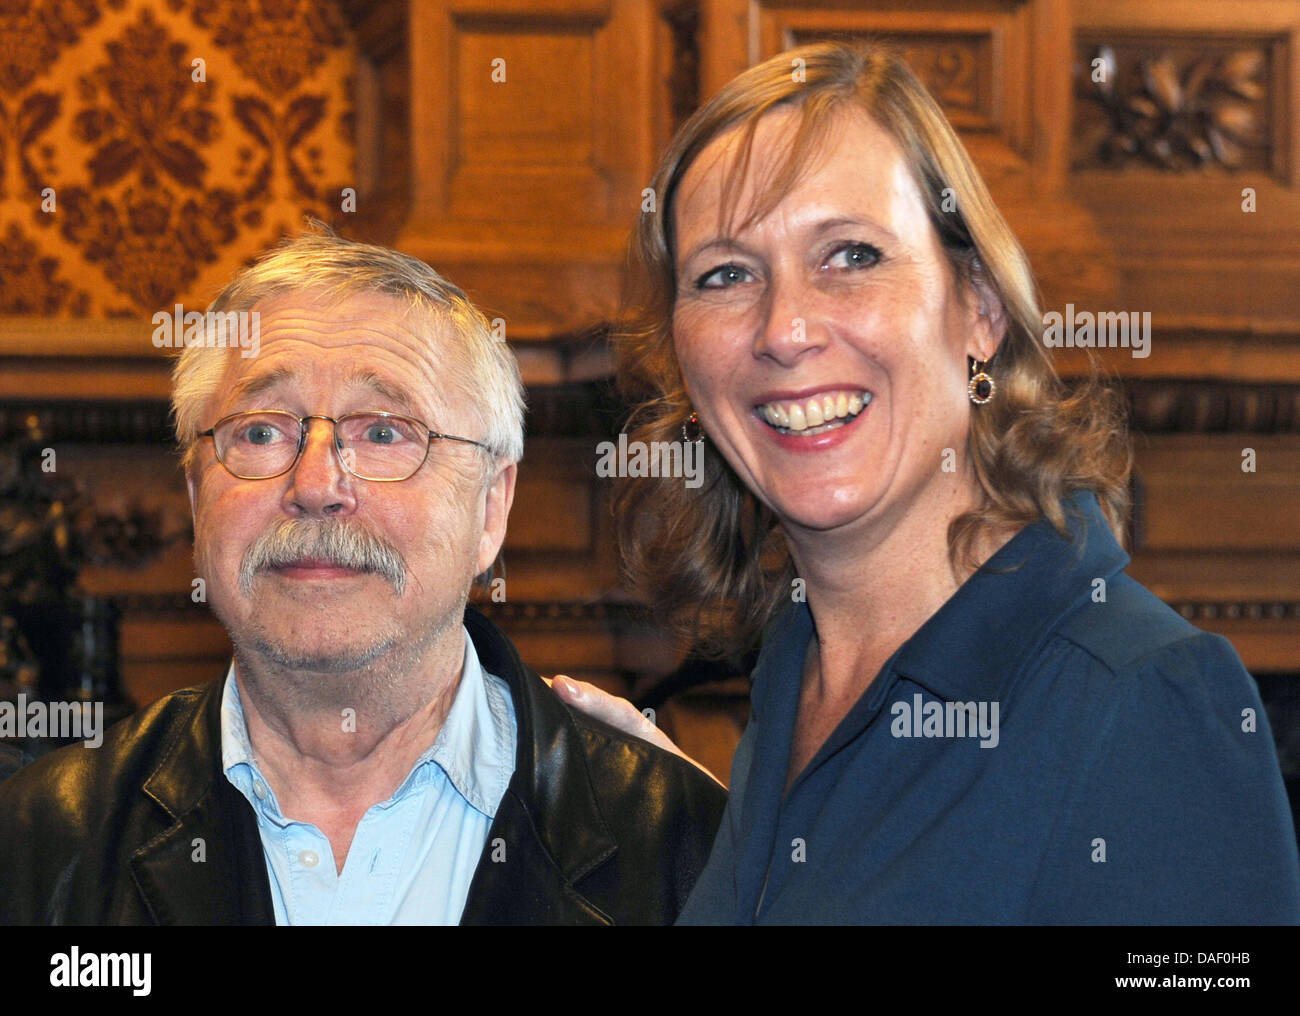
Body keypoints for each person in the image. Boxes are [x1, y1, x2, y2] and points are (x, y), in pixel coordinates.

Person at [551, 41, 1300, 923]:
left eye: (852, 255)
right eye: (724, 275)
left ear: (978, 306)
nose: (783, 328)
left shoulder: (1139, 701)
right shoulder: (792, 678)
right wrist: (690, 841)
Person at [0, 229, 726, 926]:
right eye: (260, 432)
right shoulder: (40, 843)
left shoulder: (684, 847)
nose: (315, 484)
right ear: (197, 502)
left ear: (491, 508)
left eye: (384, 432)